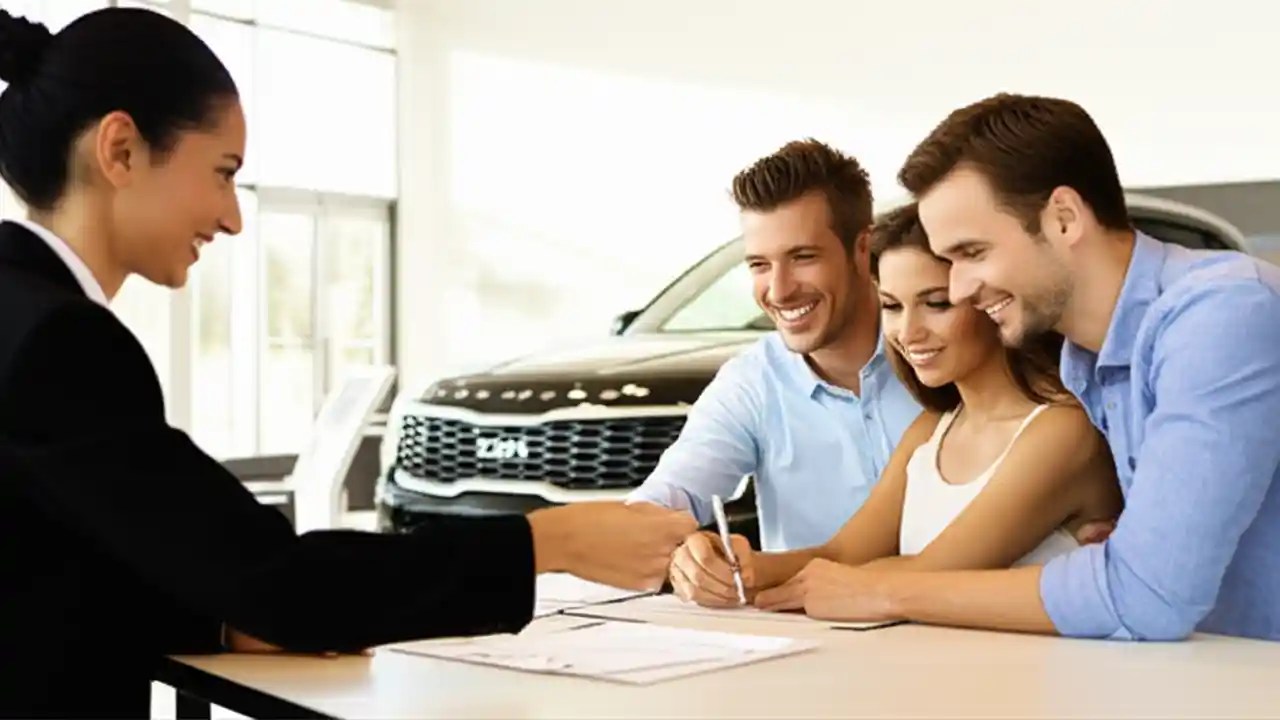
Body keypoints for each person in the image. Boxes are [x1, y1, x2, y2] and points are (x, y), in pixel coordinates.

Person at [0, 9, 696, 718]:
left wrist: (221, 622)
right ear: (120, 150)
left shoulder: (24, 315)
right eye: (222, 172)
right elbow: (279, 579)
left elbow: (56, 573)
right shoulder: (59, 346)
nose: (234, 216)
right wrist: (552, 540)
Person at [761, 93, 1280, 642]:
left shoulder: (1221, 313)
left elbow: (1147, 595)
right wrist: (1106, 565)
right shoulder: (1087, 362)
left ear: (1063, 218)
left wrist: (886, 591)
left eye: (972, 252)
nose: (959, 286)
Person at [669, 203, 1122, 608]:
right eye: (891, 306)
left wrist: (794, 589)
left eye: (936, 304)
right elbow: (844, 554)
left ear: (989, 299)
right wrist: (738, 566)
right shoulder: (932, 430)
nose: (909, 332)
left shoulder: (1064, 430)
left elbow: (932, 571)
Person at [628, 139, 922, 551]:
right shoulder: (753, 382)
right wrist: (680, 555)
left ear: (861, 249)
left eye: (803, 257)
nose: (779, 291)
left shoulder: (938, 354)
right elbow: (668, 497)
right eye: (760, 265)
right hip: (811, 616)